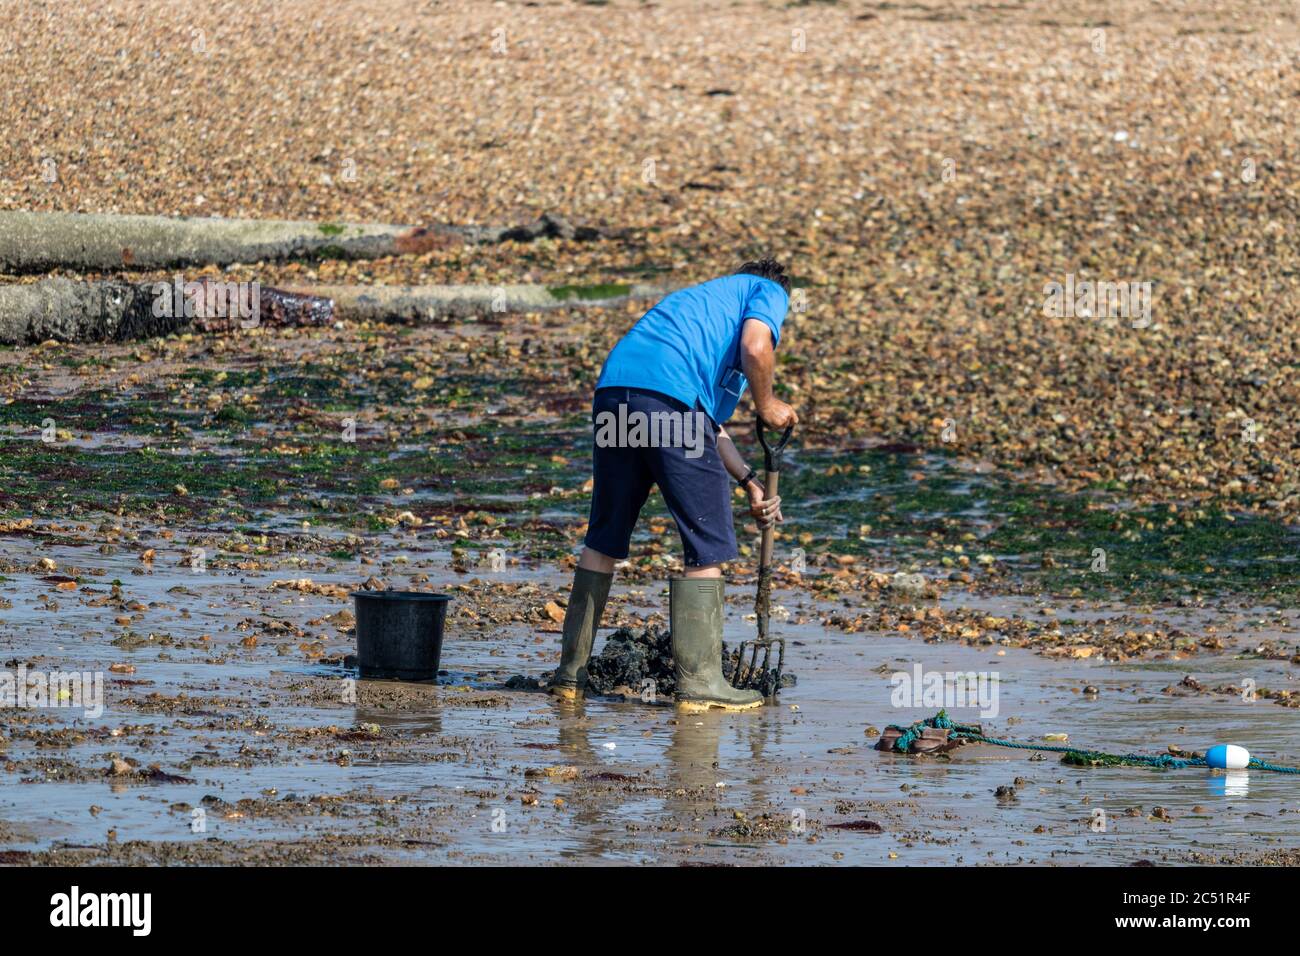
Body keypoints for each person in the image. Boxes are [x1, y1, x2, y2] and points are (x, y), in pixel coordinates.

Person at [547, 258, 797, 711]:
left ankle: (569, 677)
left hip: (615, 396)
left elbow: (707, 426)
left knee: (603, 536)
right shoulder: (768, 290)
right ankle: (700, 684)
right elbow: (756, 348)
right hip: (668, 403)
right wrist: (768, 403)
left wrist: (750, 481)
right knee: (708, 542)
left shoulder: (698, 307)